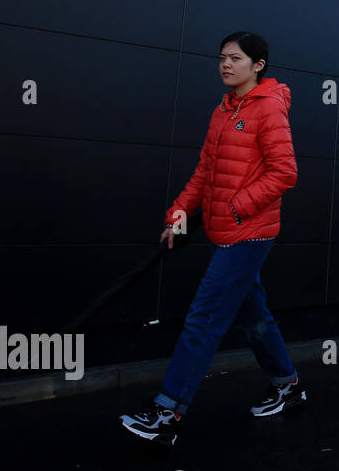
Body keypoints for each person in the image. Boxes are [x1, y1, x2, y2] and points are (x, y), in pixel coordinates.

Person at [120, 32, 301, 446]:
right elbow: (204, 173)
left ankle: (167, 413)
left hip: (249, 233)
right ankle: (288, 386)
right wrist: (178, 218)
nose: (225, 65)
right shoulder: (223, 110)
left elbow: (285, 172)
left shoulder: (269, 109)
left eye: (235, 58)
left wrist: (237, 207)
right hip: (227, 230)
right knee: (253, 315)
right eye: (222, 58)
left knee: (203, 318)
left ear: (258, 65)